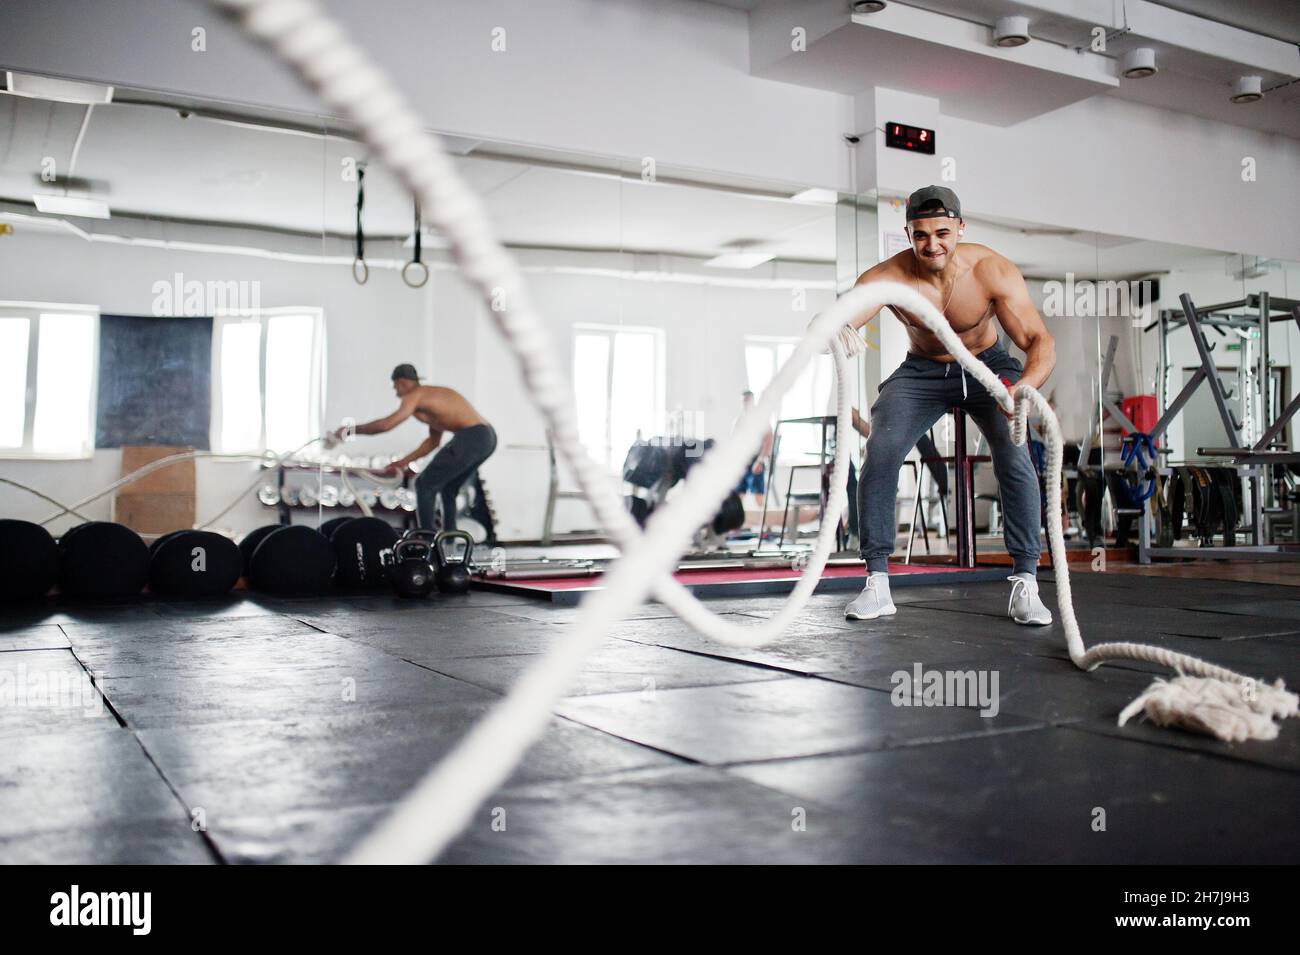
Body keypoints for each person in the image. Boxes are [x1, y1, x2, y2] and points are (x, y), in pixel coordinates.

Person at [842, 185, 1055, 626]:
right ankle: (877, 582)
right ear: (908, 234)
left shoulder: (991, 270)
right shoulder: (890, 277)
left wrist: (1025, 388)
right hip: (923, 369)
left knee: (1014, 455)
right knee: (880, 452)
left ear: (960, 227)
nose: (932, 244)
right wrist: (830, 327)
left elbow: (1039, 341)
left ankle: (1025, 583)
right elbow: (843, 315)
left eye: (942, 232)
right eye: (921, 235)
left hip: (988, 366)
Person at [331, 364, 497, 532]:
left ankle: (428, 540)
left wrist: (350, 430)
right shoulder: (430, 399)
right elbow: (433, 442)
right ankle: (450, 541)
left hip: (473, 436)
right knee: (449, 489)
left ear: (401, 383)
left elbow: (386, 425)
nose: (396, 392)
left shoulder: (415, 395)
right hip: (487, 437)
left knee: (424, 484)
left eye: (395, 386)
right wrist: (402, 462)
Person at [732, 390, 774, 510]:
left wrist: (760, 460)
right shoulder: (739, 420)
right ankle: (736, 526)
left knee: (758, 495)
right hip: (742, 461)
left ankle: (767, 525)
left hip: (756, 461)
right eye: (743, 401)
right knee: (738, 494)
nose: (745, 403)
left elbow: (768, 440)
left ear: (752, 401)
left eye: (747, 400)